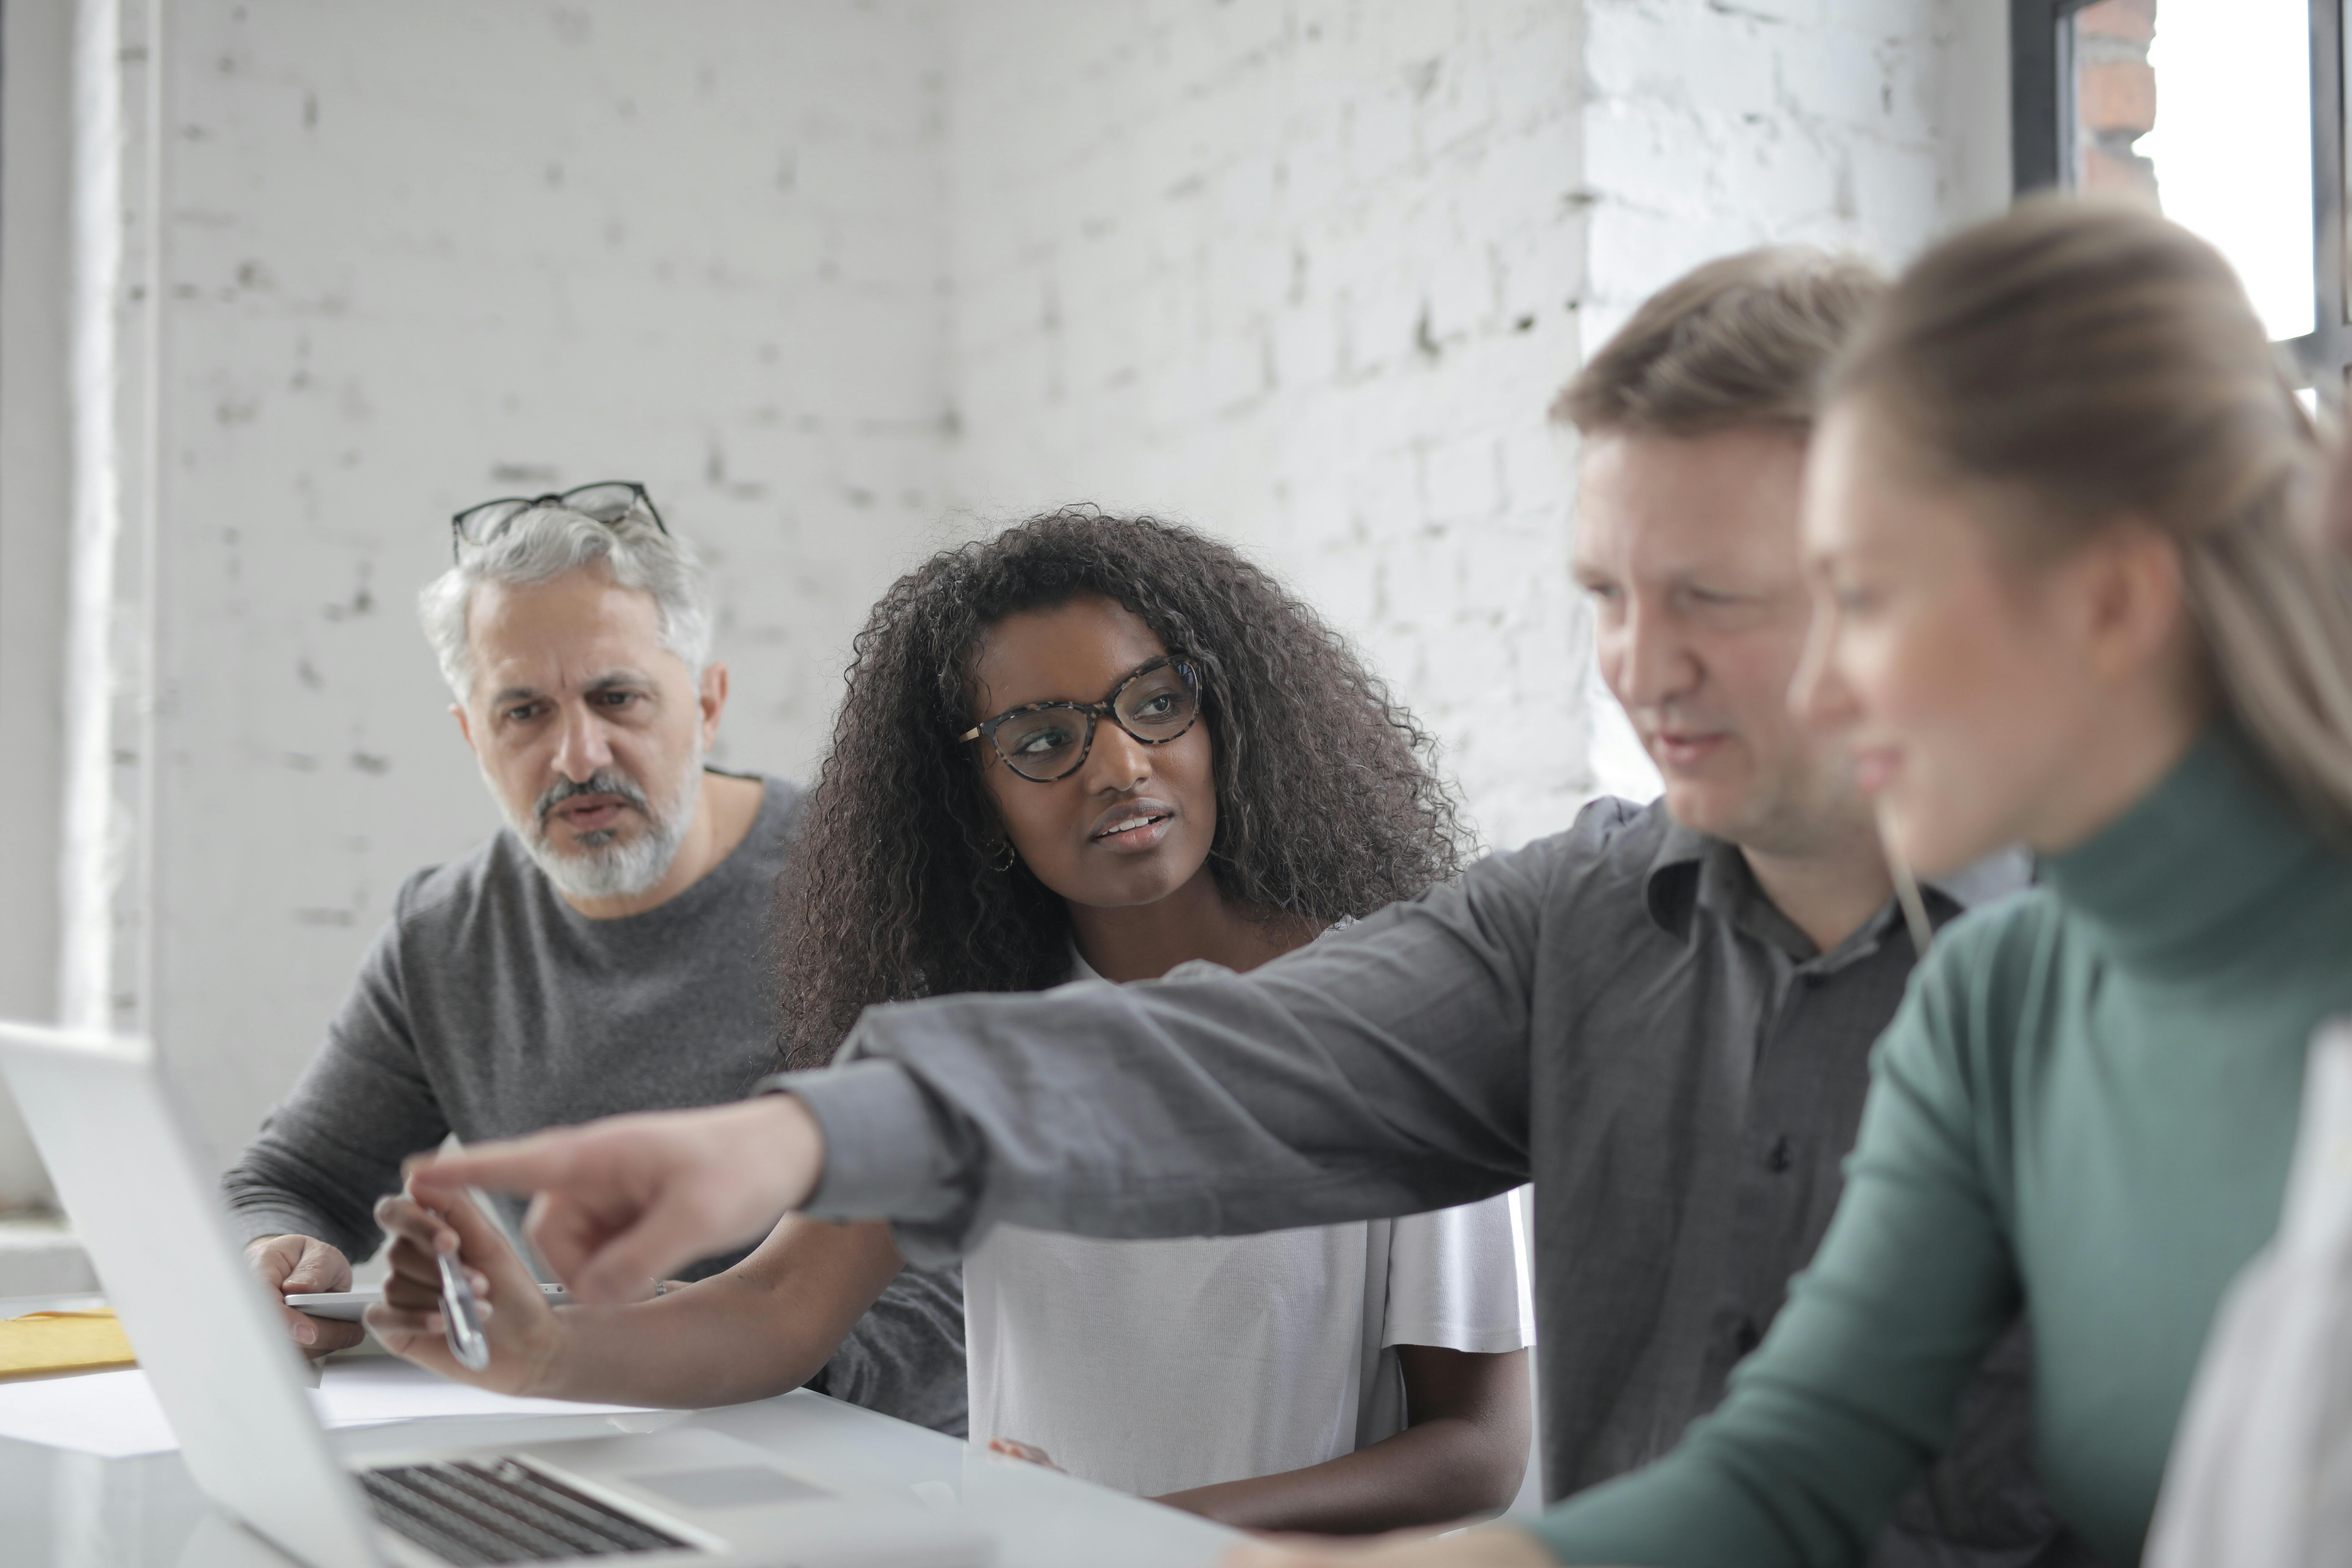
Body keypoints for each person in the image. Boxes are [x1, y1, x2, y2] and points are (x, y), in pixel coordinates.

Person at [398, 259, 2086, 1563]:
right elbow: (1220, 1065)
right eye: (1605, 596)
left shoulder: (2097, 977)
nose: (1639, 666)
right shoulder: (1568, 926)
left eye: (1707, 596)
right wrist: (774, 1147)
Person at [369, 511, 1534, 1534]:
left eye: (1157, 704)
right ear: (968, 797)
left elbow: (1477, 1452)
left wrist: (1130, 1536)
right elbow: (781, 1308)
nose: (1120, 766)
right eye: (1040, 741)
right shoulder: (968, 1042)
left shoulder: (1396, 1021)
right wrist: (541, 1350)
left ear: (1227, 713)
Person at [221, 482, 964, 1435]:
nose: (577, 755)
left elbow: (963, 1259)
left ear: (706, 704)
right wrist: (282, 1254)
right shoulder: (446, 935)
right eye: (523, 712)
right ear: (472, 738)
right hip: (594, 1432)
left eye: (617, 698)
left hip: (880, 1457)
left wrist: (734, 1374)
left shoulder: (871, 890)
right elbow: (291, 1182)